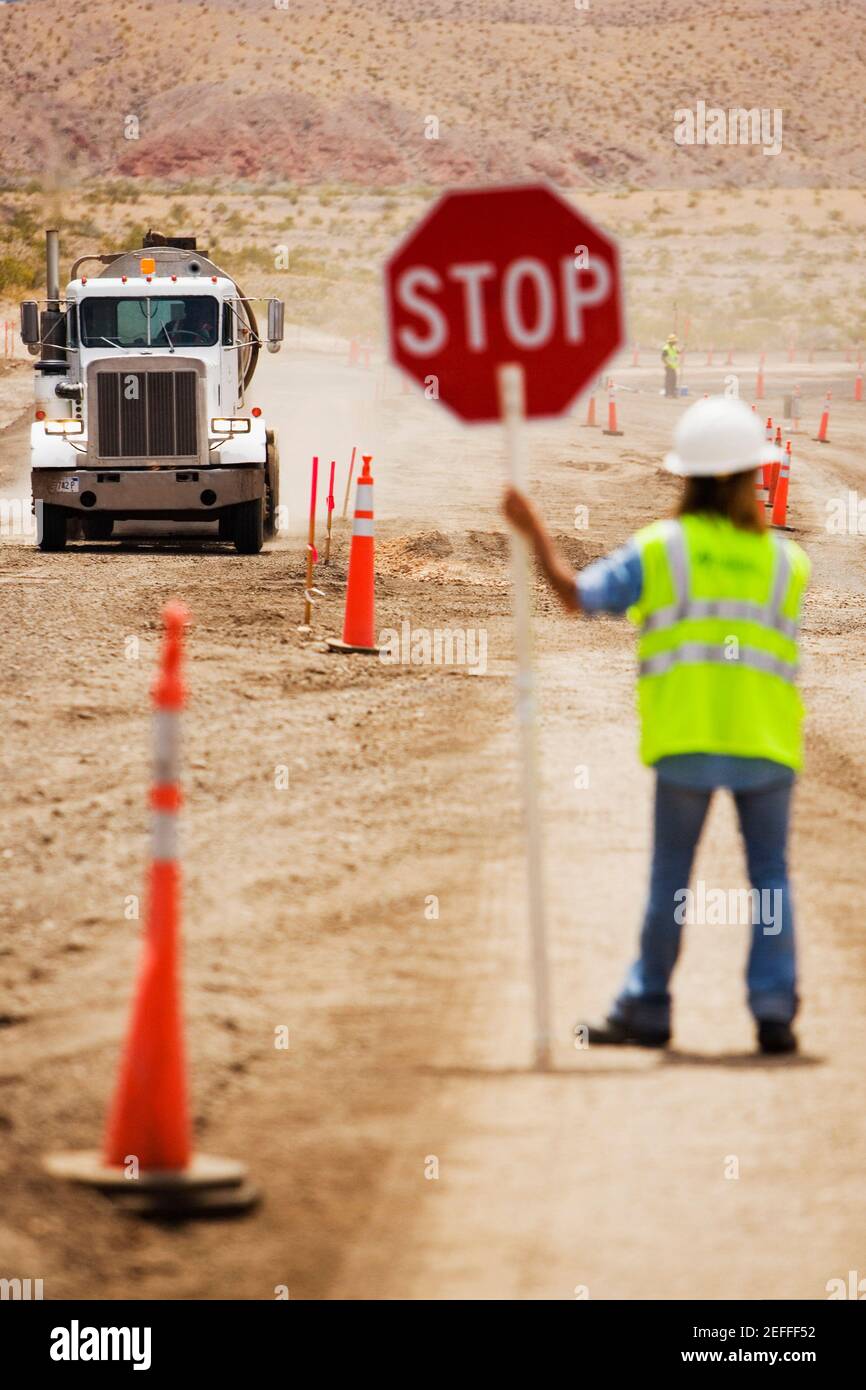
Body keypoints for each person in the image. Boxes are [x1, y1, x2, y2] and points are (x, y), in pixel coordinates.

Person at [502, 396, 810, 1055]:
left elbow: (573, 596)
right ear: (754, 475)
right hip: (768, 741)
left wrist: (533, 531)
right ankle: (775, 1011)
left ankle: (648, 1007)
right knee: (771, 880)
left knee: (671, 879)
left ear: (688, 476)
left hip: (687, 740)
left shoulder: (661, 550)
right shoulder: (788, 563)